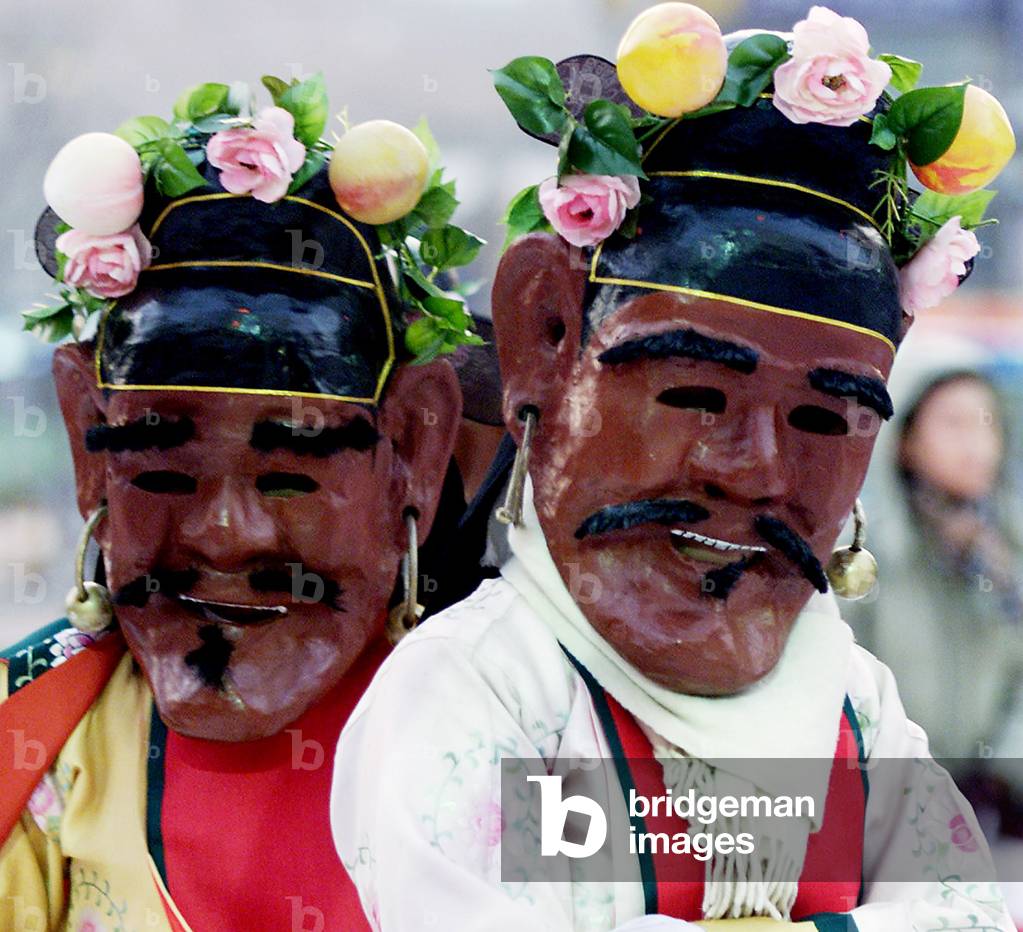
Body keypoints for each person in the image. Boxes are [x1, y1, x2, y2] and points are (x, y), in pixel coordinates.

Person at [331, 5, 1017, 930]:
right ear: (547, 346)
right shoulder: (480, 689)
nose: (753, 470)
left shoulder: (849, 701)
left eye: (821, 417)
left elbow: (966, 910)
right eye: (695, 396)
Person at [0, 73, 478, 930]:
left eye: (291, 477)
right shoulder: (27, 737)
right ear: (86, 447)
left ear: (414, 447)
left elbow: (786, 876)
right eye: (163, 473)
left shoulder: (545, 721)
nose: (226, 533)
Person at [848, 334, 1023, 827]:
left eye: (986, 424)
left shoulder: (1006, 550)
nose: (976, 446)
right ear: (906, 437)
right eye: (953, 424)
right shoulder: (860, 556)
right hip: (882, 809)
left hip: (990, 812)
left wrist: (1003, 779)